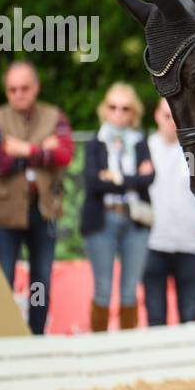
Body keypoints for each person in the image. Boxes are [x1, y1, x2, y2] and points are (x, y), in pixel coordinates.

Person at [0, 61, 74, 335]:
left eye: (24, 88)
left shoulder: (54, 115)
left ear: (35, 88)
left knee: (40, 280)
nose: (18, 94)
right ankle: (4, 334)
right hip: (6, 211)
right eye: (12, 89)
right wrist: (41, 153)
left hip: (43, 209)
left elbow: (64, 155)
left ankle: (36, 334)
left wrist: (24, 149)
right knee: (3, 277)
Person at [80, 83, 155, 332]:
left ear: (134, 113)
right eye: (113, 107)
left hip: (135, 221)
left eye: (125, 108)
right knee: (102, 289)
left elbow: (150, 178)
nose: (119, 113)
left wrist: (115, 178)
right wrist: (132, 179)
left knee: (129, 291)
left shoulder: (140, 142)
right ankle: (100, 351)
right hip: (102, 220)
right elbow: (92, 183)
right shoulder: (95, 143)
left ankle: (127, 350)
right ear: (105, 110)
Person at [143, 98, 195, 326]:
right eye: (166, 115)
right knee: (155, 315)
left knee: (189, 316)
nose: (171, 121)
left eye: (175, 115)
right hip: (153, 242)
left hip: (190, 242)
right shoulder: (145, 148)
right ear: (156, 116)